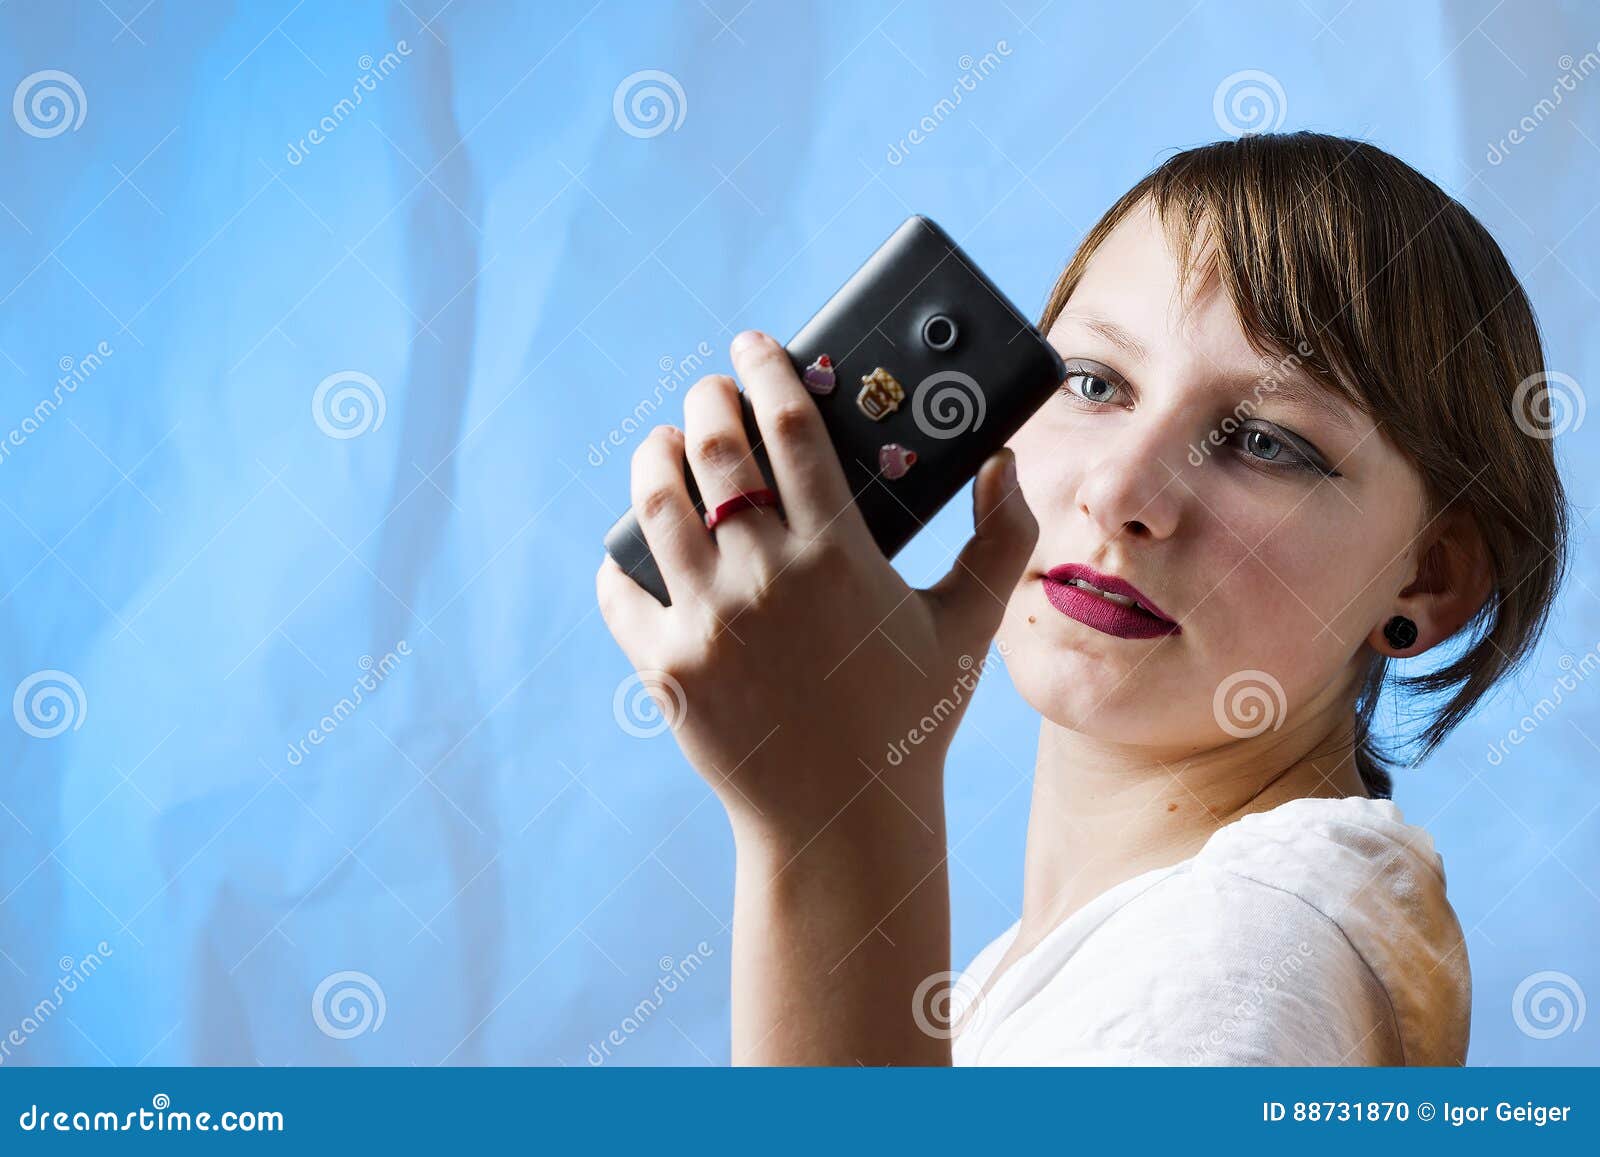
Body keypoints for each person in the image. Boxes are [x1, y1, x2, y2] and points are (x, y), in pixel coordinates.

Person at [595, 132, 1570, 1065]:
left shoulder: (1251, 947)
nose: (1119, 491)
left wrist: (832, 815)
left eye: (1262, 440)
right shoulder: (1027, 972)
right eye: (1094, 384)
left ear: (1427, 576)